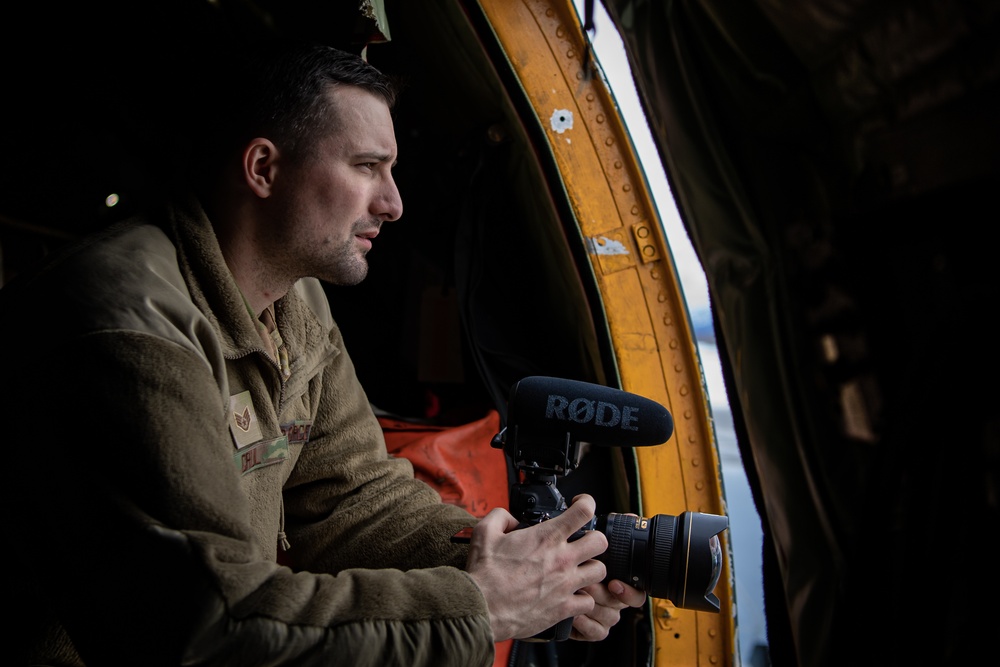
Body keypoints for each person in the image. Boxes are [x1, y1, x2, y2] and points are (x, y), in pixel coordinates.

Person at [0, 39, 645, 666]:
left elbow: (352, 500)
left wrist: (527, 566)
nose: (393, 204)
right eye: (367, 167)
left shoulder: (296, 301)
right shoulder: (128, 328)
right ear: (263, 169)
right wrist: (479, 604)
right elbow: (207, 626)